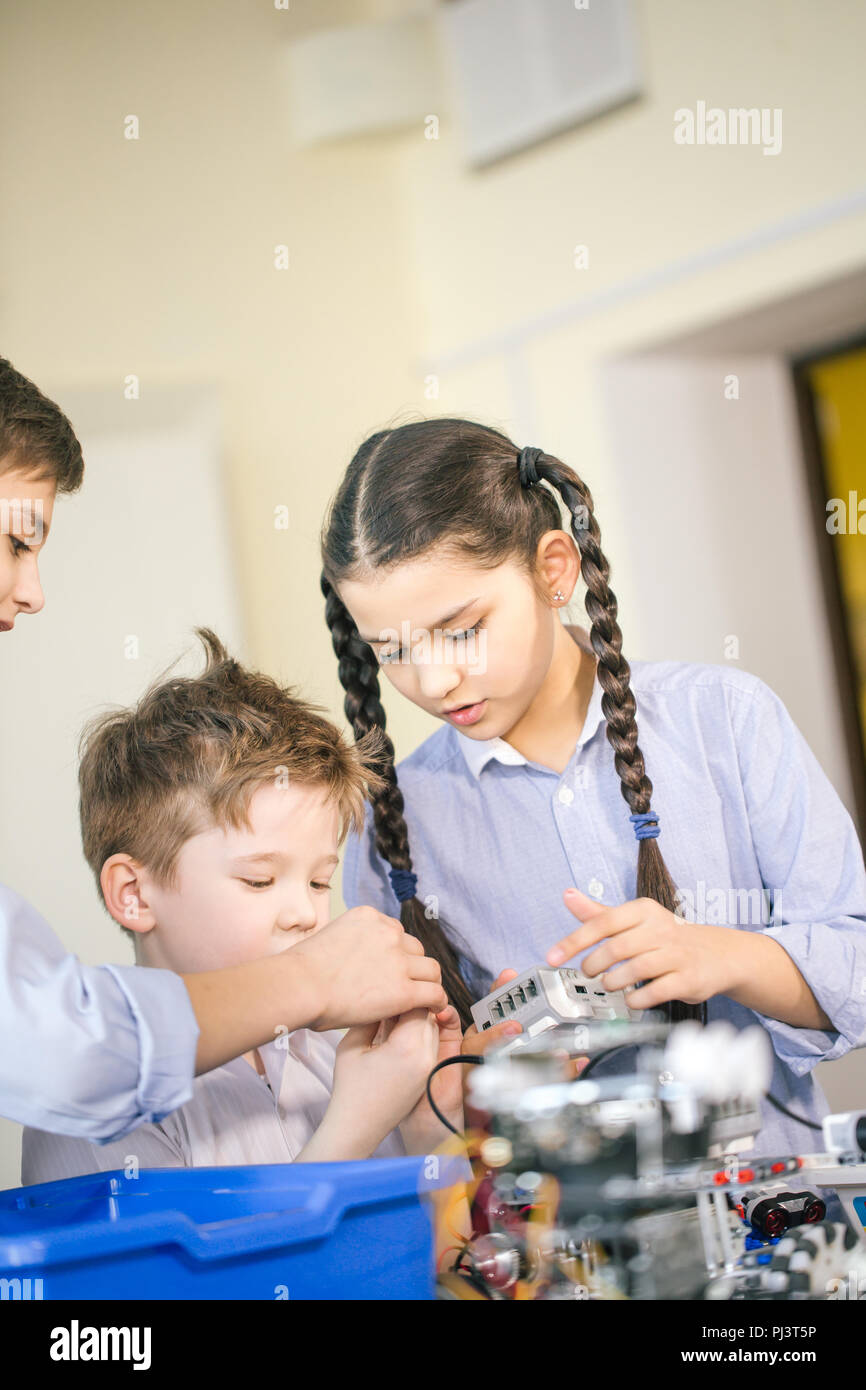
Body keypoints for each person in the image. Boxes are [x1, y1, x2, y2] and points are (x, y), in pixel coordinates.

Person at [319, 417, 866, 1160]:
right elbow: (403, 1113)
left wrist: (724, 956)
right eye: (393, 652)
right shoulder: (396, 820)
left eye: (461, 629)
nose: (434, 681)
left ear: (554, 570)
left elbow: (855, 964)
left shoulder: (726, 720)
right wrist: (472, 1075)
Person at [0, 357, 446, 1145]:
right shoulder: (111, 1128)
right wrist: (326, 1018)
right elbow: (67, 1056)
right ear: (134, 893)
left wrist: (427, 1108)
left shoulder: (326, 1056)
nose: (33, 591)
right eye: (13, 541)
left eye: (318, 879)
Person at [22, 630, 464, 1181]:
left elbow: (436, 1258)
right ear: (133, 894)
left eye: (320, 882)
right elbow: (200, 1270)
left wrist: (429, 1124)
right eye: (259, 881)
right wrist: (355, 1124)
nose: (305, 913)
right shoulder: (94, 1107)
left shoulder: (338, 1054)